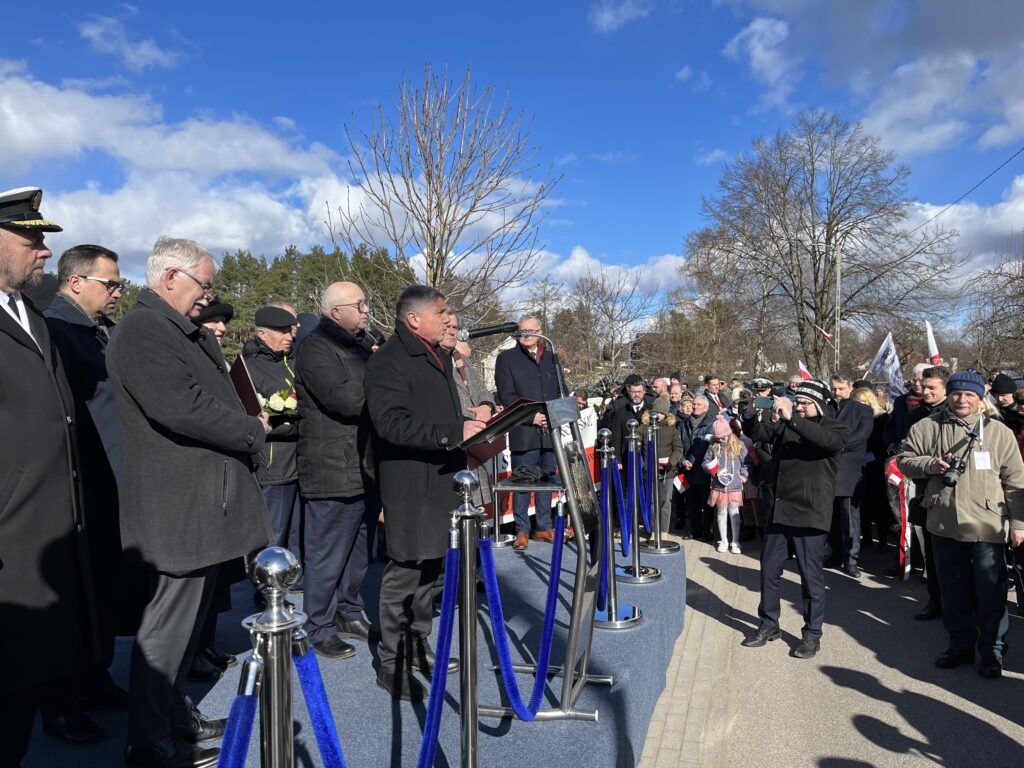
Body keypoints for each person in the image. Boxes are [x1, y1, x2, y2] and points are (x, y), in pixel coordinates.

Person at [107, 237, 272, 768]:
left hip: (202, 503)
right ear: (171, 276)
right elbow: (183, 408)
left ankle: (175, 721)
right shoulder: (143, 330)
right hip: (179, 507)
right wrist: (252, 430)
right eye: (206, 284)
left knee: (186, 628)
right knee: (166, 631)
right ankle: (146, 743)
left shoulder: (176, 328)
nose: (210, 295)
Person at [0, 188, 100, 768]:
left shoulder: (30, 313)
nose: (43, 252)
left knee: (21, 697)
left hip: (47, 528)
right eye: (31, 239)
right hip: (9, 536)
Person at [364, 285, 486, 701]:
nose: (449, 318)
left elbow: (439, 412)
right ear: (414, 319)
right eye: (442, 311)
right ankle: (392, 662)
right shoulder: (389, 362)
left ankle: (417, 646)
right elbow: (391, 425)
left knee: (431, 573)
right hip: (411, 486)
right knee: (406, 575)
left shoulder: (438, 355)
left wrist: (468, 422)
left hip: (442, 482)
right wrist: (454, 432)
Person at [42, 244, 130, 744]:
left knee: (99, 593)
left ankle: (94, 680)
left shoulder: (97, 329)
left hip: (108, 482)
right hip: (82, 483)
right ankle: (60, 703)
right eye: (110, 284)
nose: (117, 292)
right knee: (72, 599)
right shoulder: (57, 330)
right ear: (76, 282)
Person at [898, 369, 1024, 679]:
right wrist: (930, 464)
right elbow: (903, 460)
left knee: (990, 593)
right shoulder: (928, 426)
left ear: (981, 398)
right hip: (944, 523)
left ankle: (992, 651)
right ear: (949, 395)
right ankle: (960, 646)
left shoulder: (999, 432)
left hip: (987, 526)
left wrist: (1019, 523)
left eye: (970, 394)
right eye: (956, 393)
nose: (962, 399)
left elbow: (1015, 479)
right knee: (954, 591)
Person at [296, 283, 379, 660]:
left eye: (366, 304)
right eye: (359, 304)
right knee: (327, 551)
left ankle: (348, 611)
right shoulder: (315, 347)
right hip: (331, 465)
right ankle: (319, 625)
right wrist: (388, 394)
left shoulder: (360, 345)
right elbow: (346, 400)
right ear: (335, 311)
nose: (366, 310)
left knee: (358, 550)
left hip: (362, 463)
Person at [740, 380, 847, 659]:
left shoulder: (833, 428)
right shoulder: (788, 424)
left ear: (819, 405)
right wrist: (751, 413)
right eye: (796, 402)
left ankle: (812, 634)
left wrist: (793, 417)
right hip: (779, 509)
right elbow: (759, 433)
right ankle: (768, 624)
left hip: (810, 512)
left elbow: (827, 443)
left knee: (810, 578)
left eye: (805, 403)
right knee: (769, 570)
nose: (798, 406)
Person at [243, 305, 303, 580]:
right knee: (273, 533)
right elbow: (254, 418)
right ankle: (267, 588)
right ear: (262, 333)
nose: (289, 336)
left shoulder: (292, 361)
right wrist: (293, 423)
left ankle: (292, 581)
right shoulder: (250, 367)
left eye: (290, 330)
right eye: (282, 331)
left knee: (296, 531)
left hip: (301, 461)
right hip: (273, 464)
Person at [494, 315, 562, 551]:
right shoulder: (506, 359)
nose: (527, 334)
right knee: (523, 483)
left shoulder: (552, 358)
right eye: (523, 331)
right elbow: (507, 396)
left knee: (546, 480)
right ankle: (521, 530)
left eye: (532, 330)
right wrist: (532, 417)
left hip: (550, 432)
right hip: (524, 432)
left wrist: (555, 416)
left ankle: (543, 526)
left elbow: (560, 392)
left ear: (541, 331)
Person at [901, 366, 950, 619]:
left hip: (951, 493)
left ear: (945, 388)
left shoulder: (952, 413)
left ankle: (958, 603)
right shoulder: (917, 414)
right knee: (931, 551)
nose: (925, 390)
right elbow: (908, 450)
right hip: (923, 489)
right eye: (923, 385)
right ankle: (935, 600)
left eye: (932, 387)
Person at [443, 314, 496, 508]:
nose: (451, 331)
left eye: (455, 327)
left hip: (476, 448)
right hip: (452, 447)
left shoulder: (461, 359)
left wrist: (486, 406)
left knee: (474, 511)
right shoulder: (429, 363)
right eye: (447, 326)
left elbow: (485, 392)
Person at [826, 373, 874, 578]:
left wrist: (833, 444)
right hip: (828, 468)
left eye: (840, 388)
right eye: (833, 388)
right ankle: (835, 553)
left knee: (849, 517)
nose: (836, 392)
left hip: (849, 470)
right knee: (831, 517)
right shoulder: (827, 408)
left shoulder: (862, 410)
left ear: (850, 387)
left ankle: (851, 558)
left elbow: (861, 436)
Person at [850, 386, 891, 553]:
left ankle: (882, 540)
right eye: (858, 402)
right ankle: (866, 537)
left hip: (876, 465)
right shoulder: (853, 419)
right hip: (859, 465)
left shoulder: (882, 418)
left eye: (864, 402)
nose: (861, 405)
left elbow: (882, 442)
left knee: (878, 504)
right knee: (863, 504)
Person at [702, 415, 749, 553]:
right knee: (721, 512)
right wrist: (711, 469)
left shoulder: (739, 445)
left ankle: (735, 541)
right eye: (718, 438)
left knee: (734, 512)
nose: (722, 440)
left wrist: (744, 475)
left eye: (724, 437)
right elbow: (705, 462)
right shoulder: (713, 447)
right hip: (719, 485)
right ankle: (723, 540)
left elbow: (746, 462)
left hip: (734, 485)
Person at [642, 393, 683, 539]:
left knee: (666, 501)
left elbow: (678, 449)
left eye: (661, 413)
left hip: (667, 472)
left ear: (666, 414)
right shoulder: (644, 428)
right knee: (652, 501)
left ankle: (664, 531)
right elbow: (638, 448)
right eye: (655, 412)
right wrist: (644, 465)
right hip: (650, 470)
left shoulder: (672, 429)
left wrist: (671, 462)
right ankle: (654, 530)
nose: (658, 415)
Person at [681, 395, 715, 539]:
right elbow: (678, 444)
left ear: (706, 408)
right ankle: (695, 531)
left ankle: (707, 532)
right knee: (691, 503)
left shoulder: (711, 424)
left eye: (698, 405)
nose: (695, 407)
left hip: (703, 470)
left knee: (706, 504)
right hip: (687, 470)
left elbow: (704, 446)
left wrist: (692, 461)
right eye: (694, 404)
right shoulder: (684, 423)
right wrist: (682, 460)